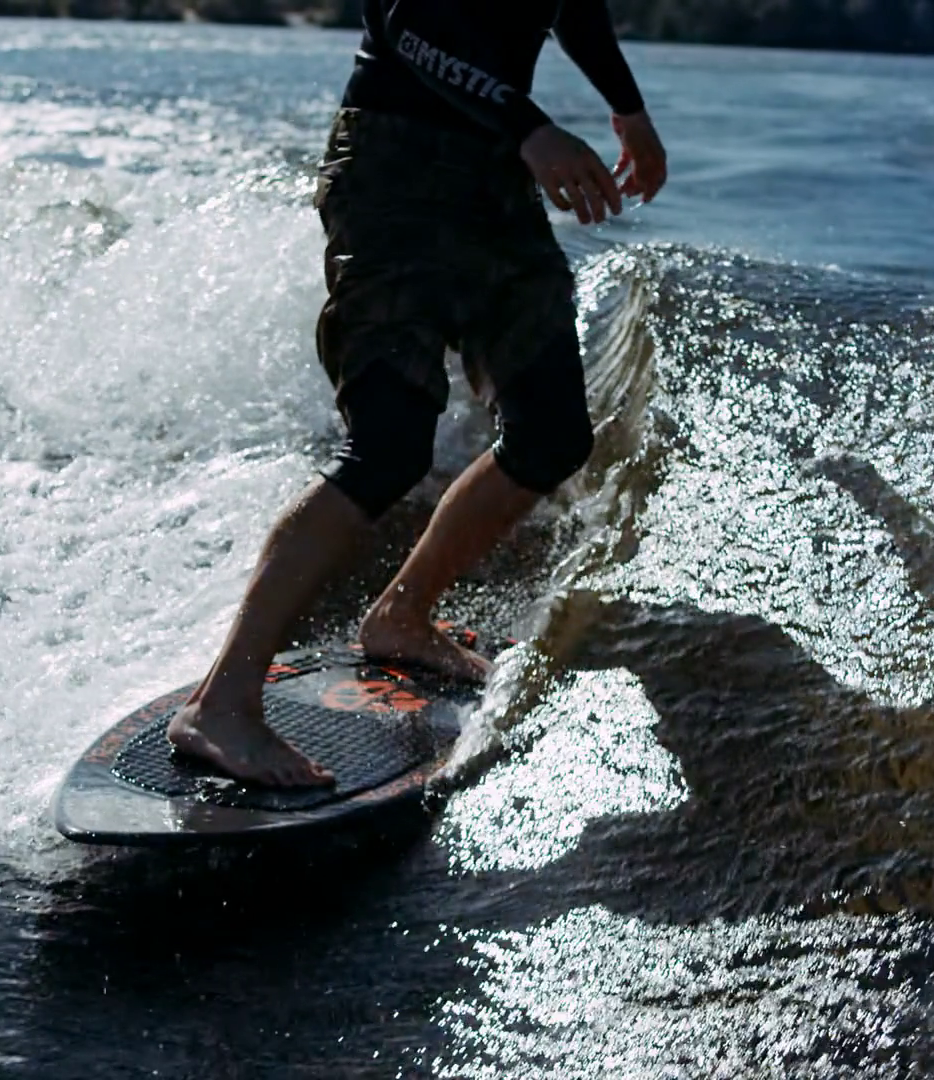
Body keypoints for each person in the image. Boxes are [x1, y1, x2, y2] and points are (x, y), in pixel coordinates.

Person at [166, 0, 669, 787]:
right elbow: (403, 20)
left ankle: (401, 614)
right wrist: (531, 125)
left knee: (551, 435)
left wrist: (627, 110)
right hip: (394, 165)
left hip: (491, 172)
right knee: (387, 447)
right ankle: (219, 704)